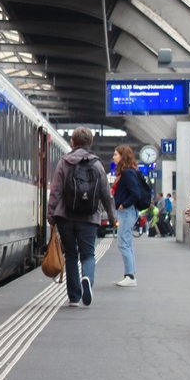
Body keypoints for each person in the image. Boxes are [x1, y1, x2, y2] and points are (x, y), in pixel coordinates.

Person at [48, 127, 118, 307]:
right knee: (88, 255)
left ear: (73, 142)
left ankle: (74, 297)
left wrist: (51, 215)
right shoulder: (97, 165)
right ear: (90, 143)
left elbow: (55, 191)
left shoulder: (64, 162)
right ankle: (87, 278)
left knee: (71, 255)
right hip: (89, 217)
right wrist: (111, 217)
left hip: (65, 216)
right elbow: (105, 193)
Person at [109, 145, 142, 286]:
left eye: (116, 154)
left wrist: (124, 204)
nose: (113, 157)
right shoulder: (127, 172)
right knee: (127, 243)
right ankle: (130, 275)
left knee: (123, 243)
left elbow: (135, 193)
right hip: (127, 211)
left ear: (122, 156)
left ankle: (130, 276)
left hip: (127, 211)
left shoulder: (127, 173)